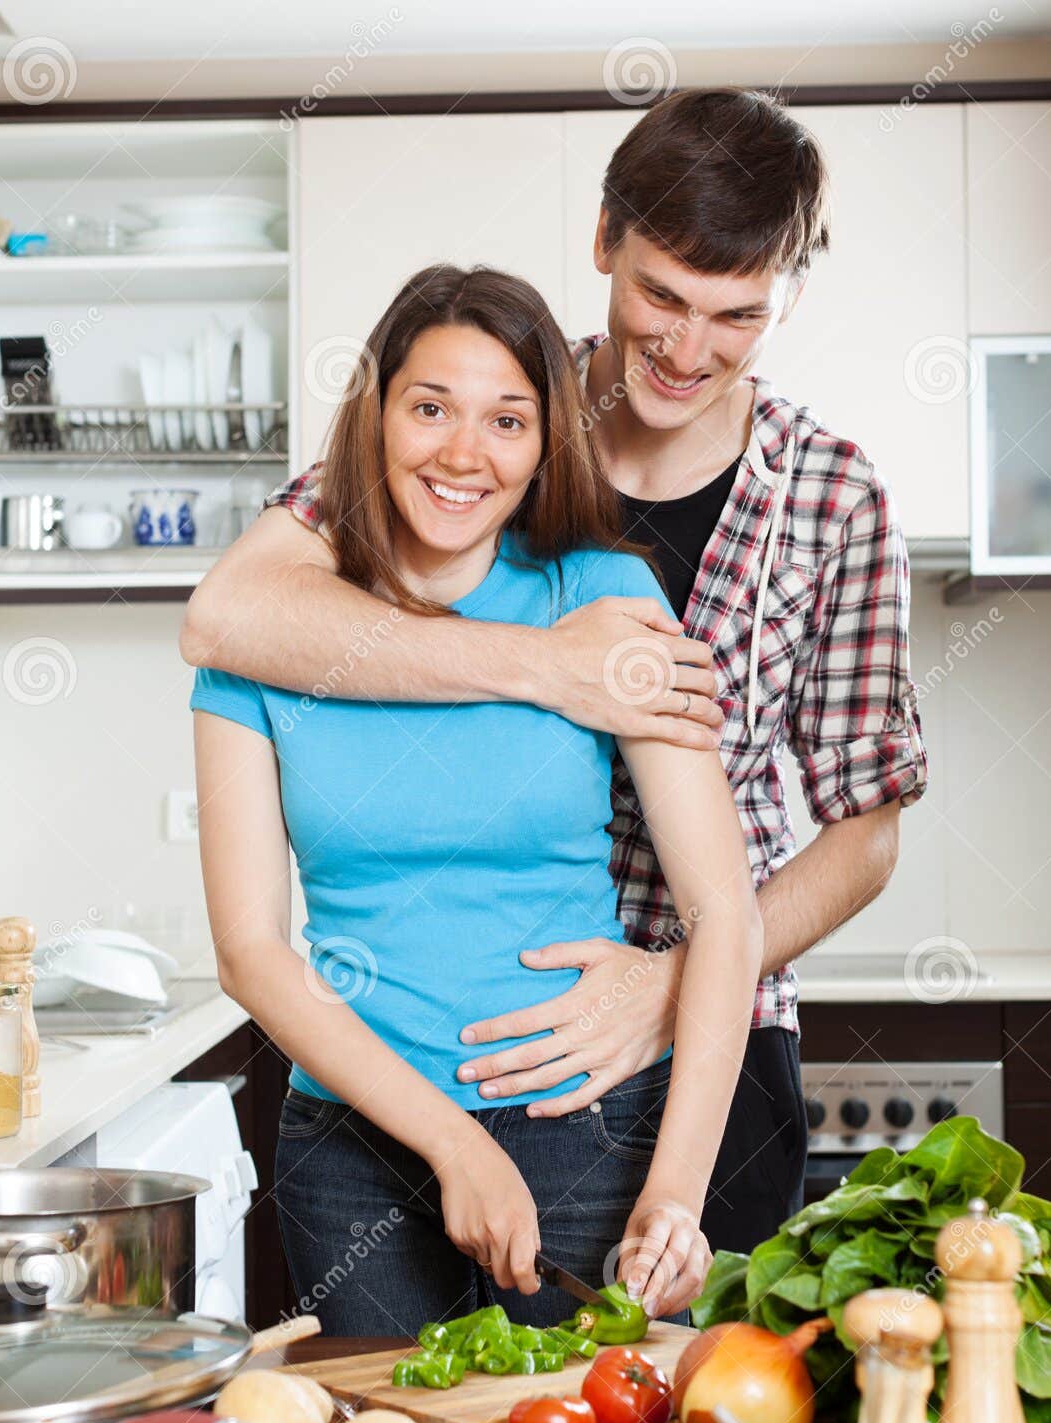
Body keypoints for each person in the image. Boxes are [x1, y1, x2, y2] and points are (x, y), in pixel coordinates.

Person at [182, 88, 928, 1260]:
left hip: (714, 1048)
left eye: (736, 316)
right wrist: (554, 671)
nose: (686, 351)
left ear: (787, 297)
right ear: (602, 243)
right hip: (449, 1052)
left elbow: (865, 835)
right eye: (660, 297)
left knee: (680, 1419)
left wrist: (670, 983)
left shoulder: (835, 498)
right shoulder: (480, 416)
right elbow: (229, 615)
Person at [190, 265, 762, 1338]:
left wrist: (674, 1194)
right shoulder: (269, 634)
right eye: (429, 408)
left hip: (581, 1120)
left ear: (548, 442)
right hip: (349, 1142)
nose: (464, 454)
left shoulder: (603, 599)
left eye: (508, 418)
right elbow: (251, 952)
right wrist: (452, 1140)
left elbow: (725, 913)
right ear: (374, 415)